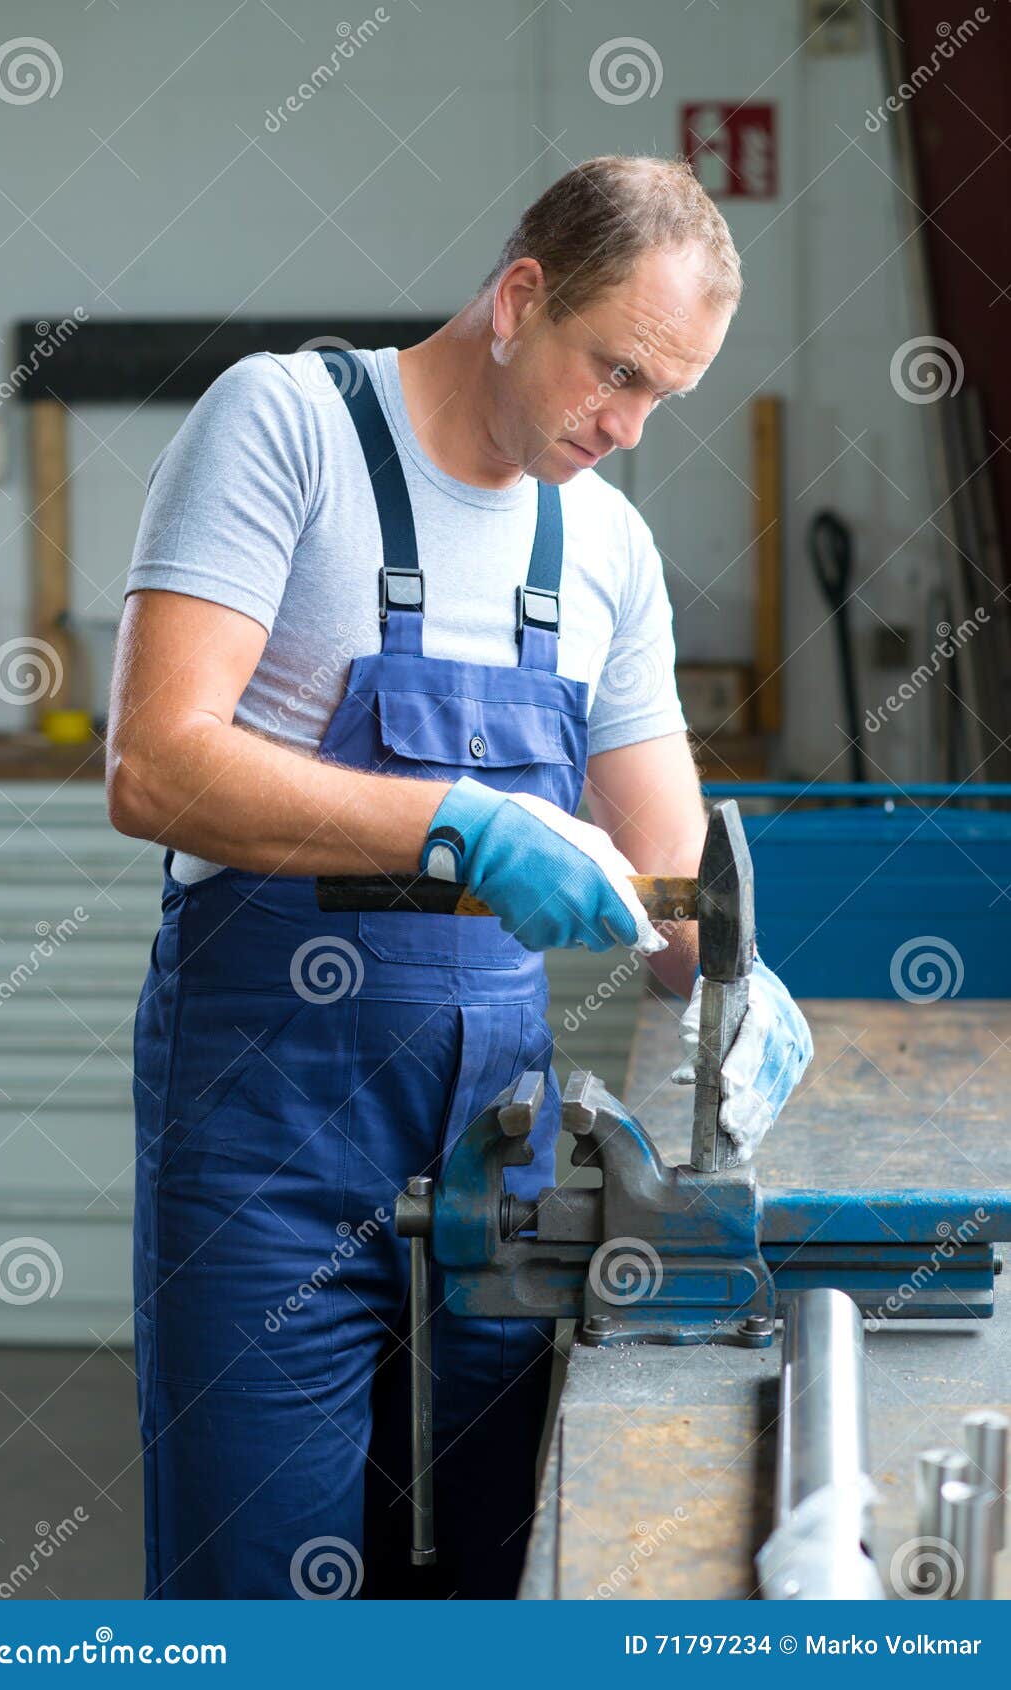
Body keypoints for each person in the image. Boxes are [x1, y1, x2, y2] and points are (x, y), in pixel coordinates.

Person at [107, 154, 812, 1601]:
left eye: (657, 401)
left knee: (496, 1574)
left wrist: (728, 976)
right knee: (260, 1592)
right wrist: (461, 824)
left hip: (504, 1163)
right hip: (269, 1144)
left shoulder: (604, 544)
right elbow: (156, 765)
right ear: (517, 298)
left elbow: (672, 873)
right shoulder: (289, 425)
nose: (623, 426)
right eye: (611, 371)